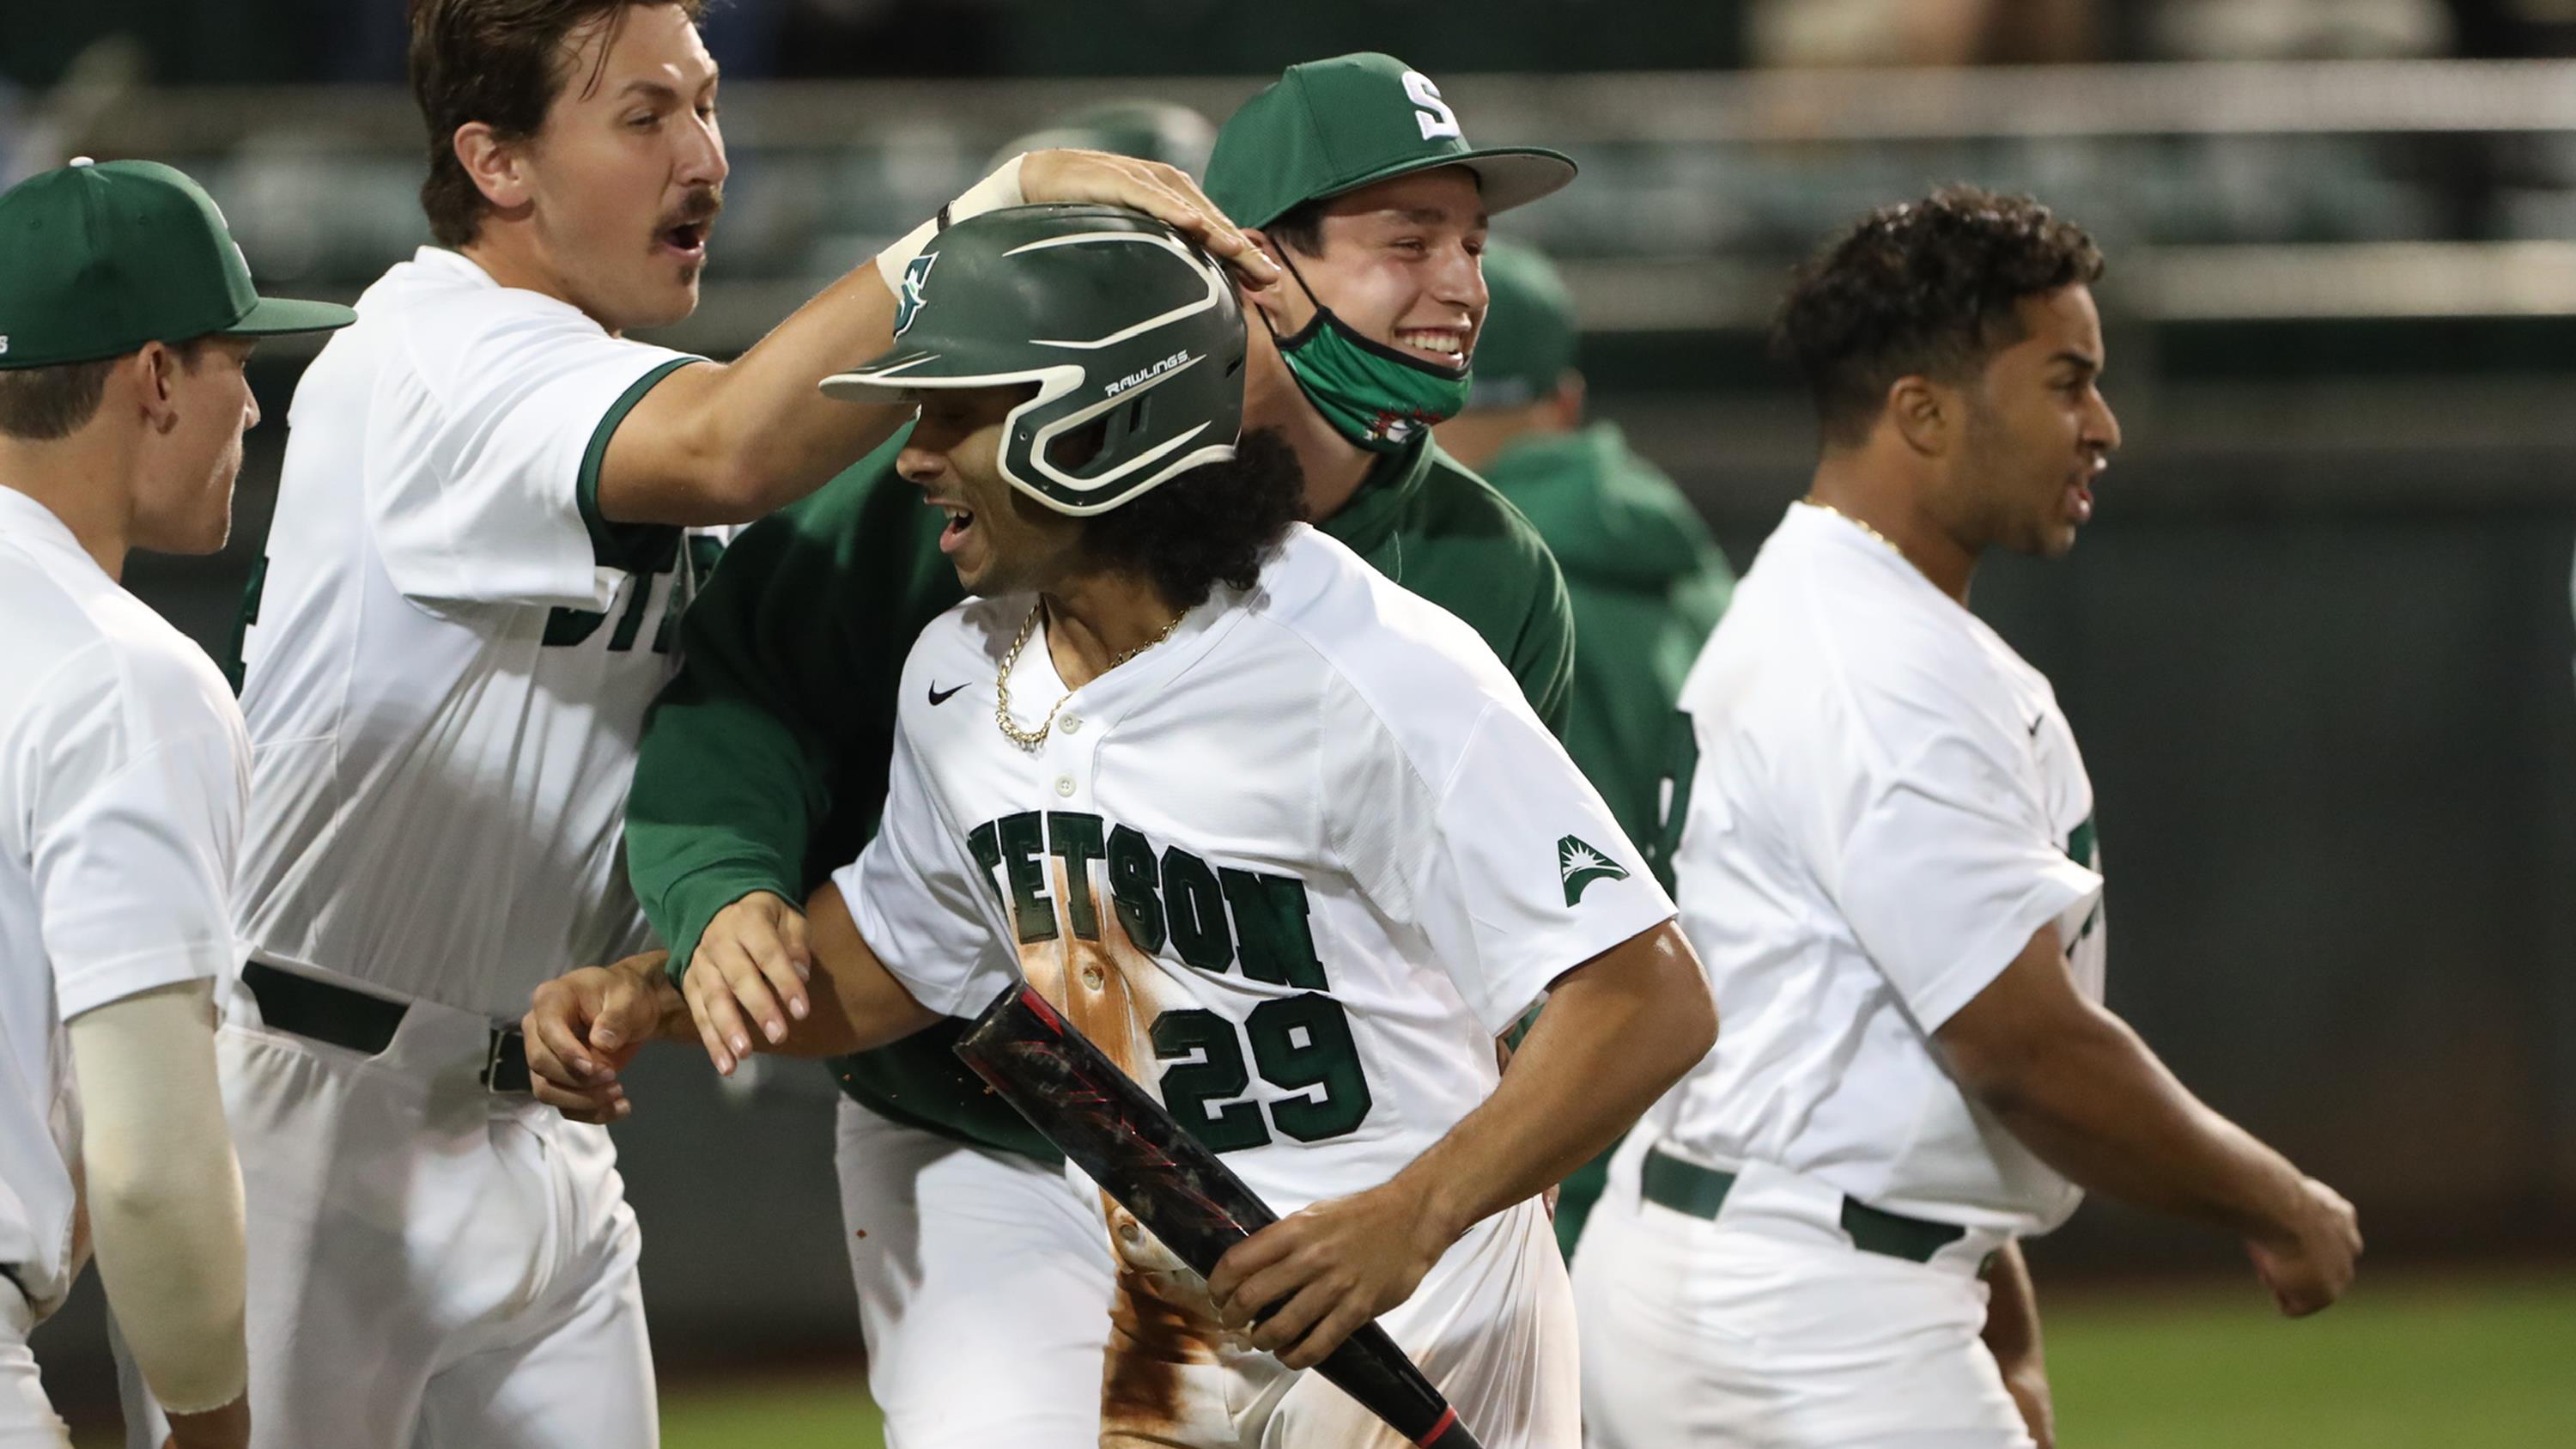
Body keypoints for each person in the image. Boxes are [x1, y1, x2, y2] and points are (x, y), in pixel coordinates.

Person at [137, 0, 1268, 1442]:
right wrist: (987, 213)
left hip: (544, 1106)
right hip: (311, 1099)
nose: (708, 155)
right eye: (644, 114)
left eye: (710, 103)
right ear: (497, 162)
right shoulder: (430, 350)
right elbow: (736, 445)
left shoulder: (591, 377)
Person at [532, 202, 1715, 1448]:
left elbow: (1649, 996)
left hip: (1418, 1313)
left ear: (1094, 427)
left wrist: (1415, 1214)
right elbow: (889, 960)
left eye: (956, 413)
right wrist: (646, 996)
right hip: (1171, 1316)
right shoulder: (959, 673)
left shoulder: (1367, 666)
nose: (910, 456)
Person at [1571, 186, 2364, 1449]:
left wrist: (1996, 1307)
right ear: (1923, 412)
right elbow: (2022, 1045)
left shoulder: (1834, 608)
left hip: (1762, 1256)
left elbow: (1877, 1024)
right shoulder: (1876, 661)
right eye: (2066, 381)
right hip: (1806, 1316)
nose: (2101, 423)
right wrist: (2278, 1200)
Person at [0, 158, 353, 1449]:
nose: (253, 407)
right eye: (232, 361)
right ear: (153, 378)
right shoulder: (119, 669)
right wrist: (211, 1428)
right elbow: (152, 1170)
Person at [1433, 238, 1736, 1257]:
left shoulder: (1457, 588)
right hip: (1730, 1129)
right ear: (1564, 403)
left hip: (1562, 1147)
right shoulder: (1698, 581)